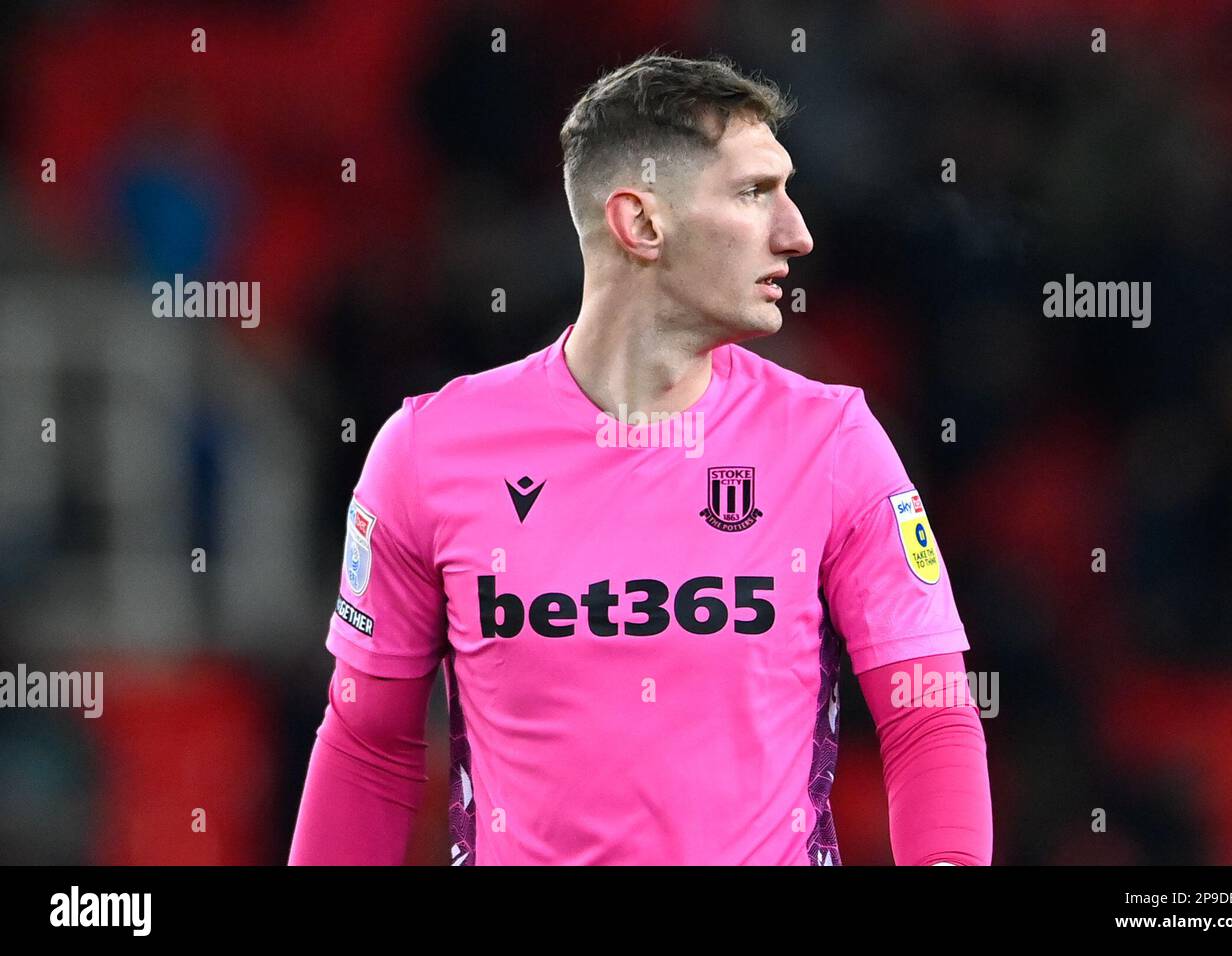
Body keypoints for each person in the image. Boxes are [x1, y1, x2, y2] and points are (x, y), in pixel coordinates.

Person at [289, 52, 992, 866]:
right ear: (642, 224)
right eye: (754, 192)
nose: (797, 233)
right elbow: (367, 742)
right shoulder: (428, 452)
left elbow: (929, 714)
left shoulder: (834, 444)